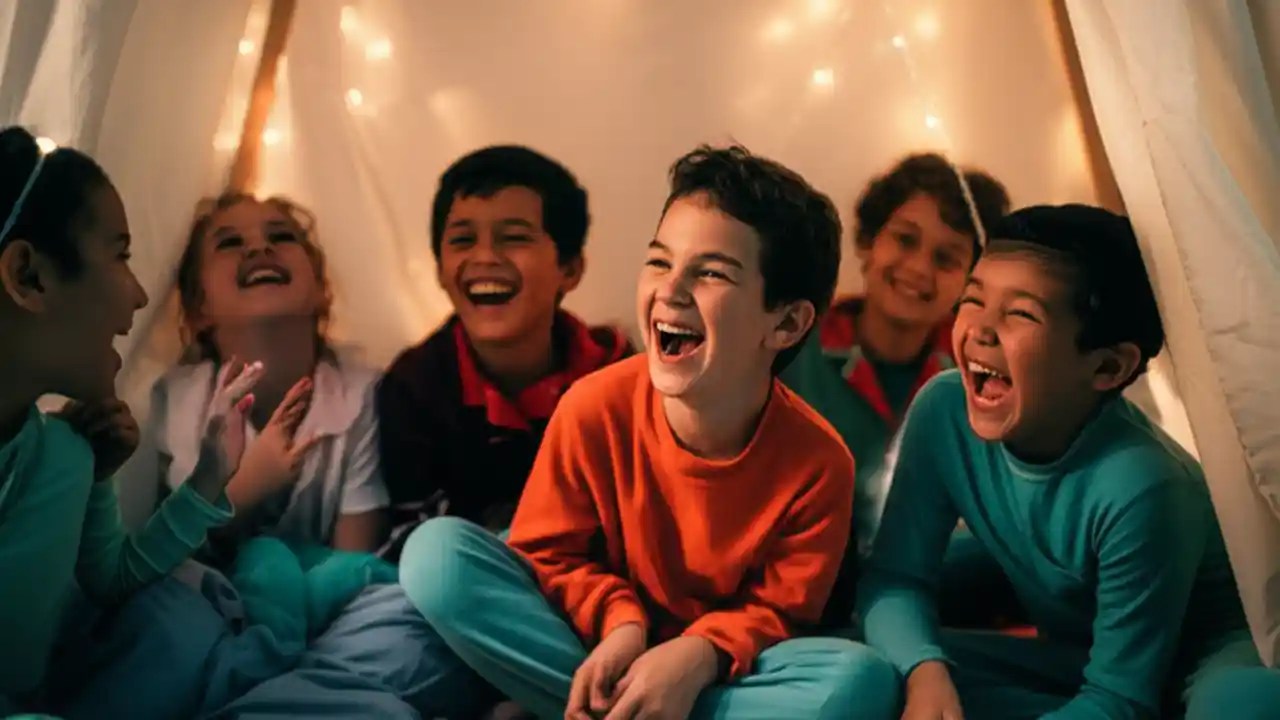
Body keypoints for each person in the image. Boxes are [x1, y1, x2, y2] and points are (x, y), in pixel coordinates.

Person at [399, 145, 898, 720]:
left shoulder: (818, 463)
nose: (671, 289)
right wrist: (622, 625)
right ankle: (631, 705)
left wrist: (698, 654)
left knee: (861, 681)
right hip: (598, 645)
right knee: (437, 557)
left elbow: (779, 613)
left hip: (717, 671)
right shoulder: (592, 406)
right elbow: (549, 556)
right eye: (660, 262)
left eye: (710, 273)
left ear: (784, 323)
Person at [858, 204, 1278, 718]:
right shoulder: (944, 409)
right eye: (973, 300)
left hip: (1196, 665)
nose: (980, 331)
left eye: (1020, 314)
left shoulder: (1144, 484)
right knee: (867, 664)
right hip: (1078, 657)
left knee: (1244, 703)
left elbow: (1119, 699)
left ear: (1106, 366)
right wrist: (925, 673)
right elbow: (898, 578)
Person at [0, 125, 259, 718]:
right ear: (29, 277)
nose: (141, 296)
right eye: (120, 256)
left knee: (183, 624)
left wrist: (210, 474)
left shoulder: (61, 458)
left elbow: (112, 576)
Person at [779, 153, 1014, 626]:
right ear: (867, 242)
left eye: (946, 258)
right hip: (806, 587)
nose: (918, 269)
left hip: (931, 592)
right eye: (904, 241)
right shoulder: (789, 348)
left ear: (974, 281)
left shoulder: (983, 378)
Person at [377, 145, 630, 556]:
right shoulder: (414, 387)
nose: (485, 257)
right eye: (462, 240)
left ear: (569, 269)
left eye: (514, 238)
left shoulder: (617, 375)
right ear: (440, 268)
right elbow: (417, 545)